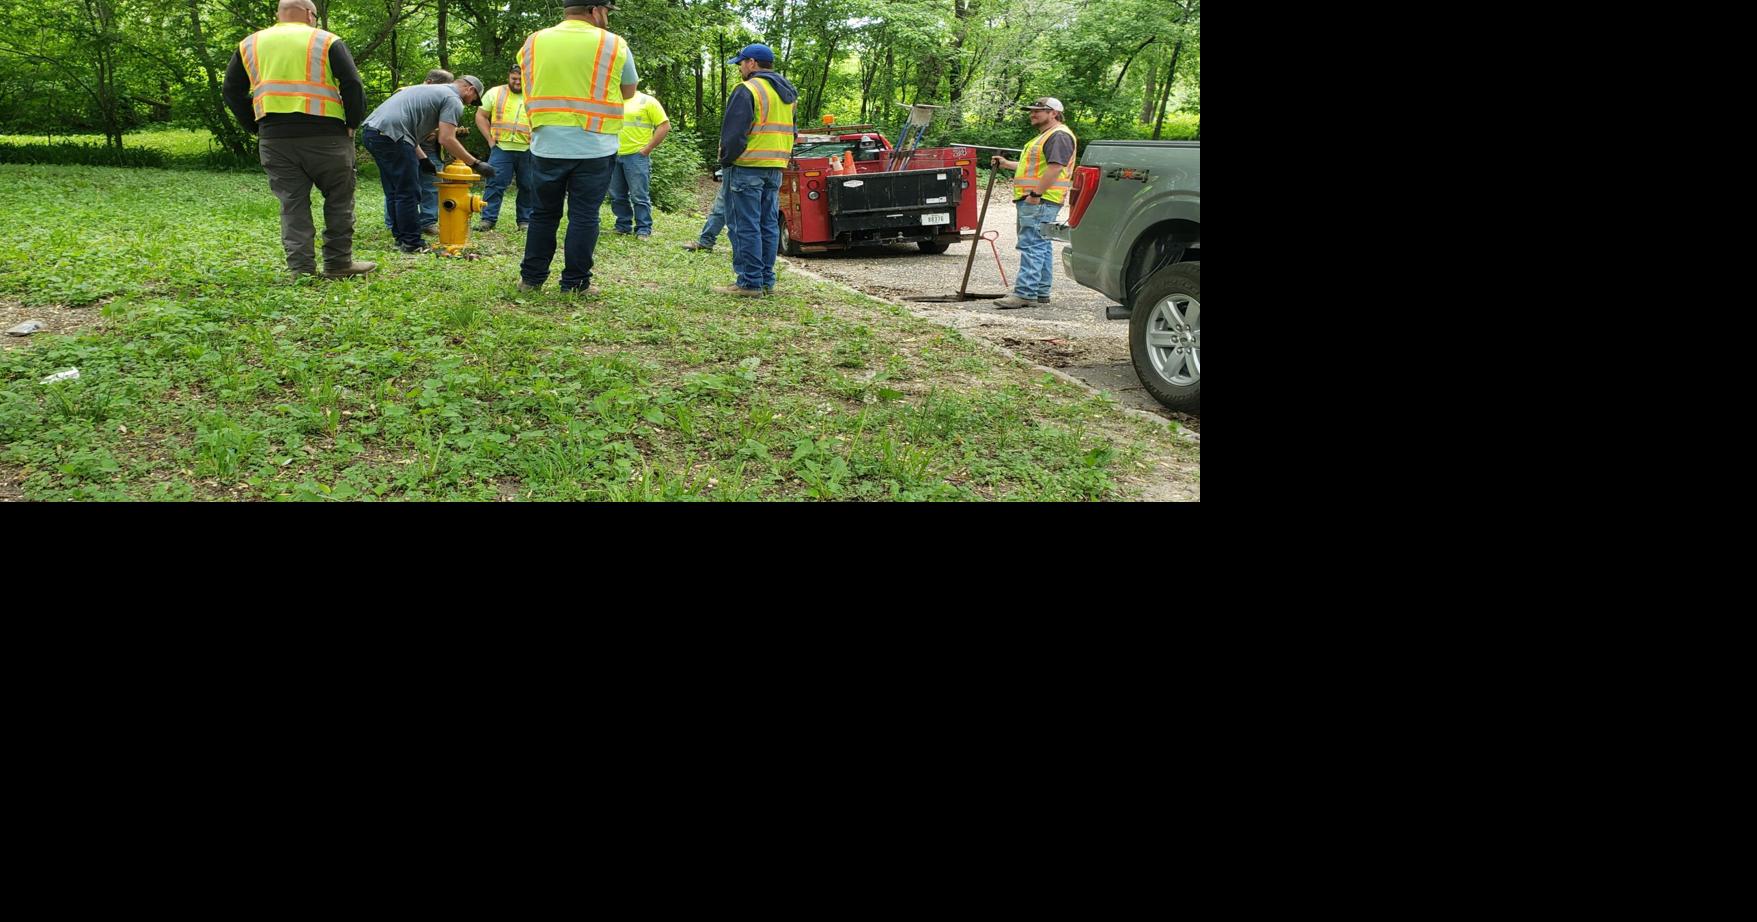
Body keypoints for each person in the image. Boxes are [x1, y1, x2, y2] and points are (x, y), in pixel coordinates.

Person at [222, 0, 374, 279]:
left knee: (292, 204)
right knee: (339, 200)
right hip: (327, 136)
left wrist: (256, 126)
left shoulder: (250, 44)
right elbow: (352, 83)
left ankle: (301, 270)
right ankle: (339, 264)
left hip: (275, 139)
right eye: (314, 15)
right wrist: (352, 122)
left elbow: (231, 91)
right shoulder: (326, 40)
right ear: (308, 13)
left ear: (280, 13)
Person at [516, 0, 636, 294]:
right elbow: (629, 91)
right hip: (594, 145)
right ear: (595, 10)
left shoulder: (534, 41)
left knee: (543, 214)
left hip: (546, 144)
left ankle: (531, 280)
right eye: (606, 11)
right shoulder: (613, 44)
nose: (606, 17)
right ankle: (575, 284)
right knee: (584, 216)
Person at [360, 75, 494, 254]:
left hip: (373, 132)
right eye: (474, 99)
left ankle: (402, 239)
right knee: (408, 191)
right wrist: (475, 163)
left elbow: (408, 128)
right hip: (393, 136)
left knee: (394, 190)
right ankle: (412, 243)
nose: (470, 103)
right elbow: (446, 138)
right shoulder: (453, 99)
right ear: (470, 89)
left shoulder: (428, 90)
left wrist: (423, 159)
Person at [714, 43, 796, 297]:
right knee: (767, 225)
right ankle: (765, 280)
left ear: (752, 63)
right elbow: (791, 130)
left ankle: (749, 283)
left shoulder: (748, 89)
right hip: (775, 167)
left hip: (747, 166)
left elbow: (734, 135)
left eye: (741, 62)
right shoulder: (787, 93)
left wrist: (726, 161)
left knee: (744, 225)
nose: (739, 67)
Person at [988, 98, 1077, 309]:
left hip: (1040, 199)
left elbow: (1055, 168)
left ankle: (1025, 293)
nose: (1032, 114)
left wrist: (1036, 193)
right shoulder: (1046, 137)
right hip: (1041, 198)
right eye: (1032, 110)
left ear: (1053, 113)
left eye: (1038, 111)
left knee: (1032, 244)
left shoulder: (1059, 136)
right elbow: (1037, 166)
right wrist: (1007, 164)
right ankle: (1040, 292)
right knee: (1041, 244)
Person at [382, 69, 453, 237]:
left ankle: (428, 221)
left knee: (431, 186)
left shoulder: (446, 98)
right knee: (399, 186)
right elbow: (403, 125)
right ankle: (394, 222)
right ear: (428, 82)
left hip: (432, 149)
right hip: (403, 144)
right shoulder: (404, 92)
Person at [473, 65, 534, 232]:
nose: (517, 82)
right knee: (494, 183)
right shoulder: (495, 92)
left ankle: (525, 221)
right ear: (509, 77)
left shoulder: (535, 95)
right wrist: (490, 141)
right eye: (514, 78)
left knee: (528, 185)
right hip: (501, 147)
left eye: (520, 79)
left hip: (528, 149)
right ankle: (488, 220)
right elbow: (480, 116)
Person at [608, 86, 669, 239]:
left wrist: (648, 149)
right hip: (613, 154)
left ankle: (643, 229)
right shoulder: (612, 100)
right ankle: (623, 226)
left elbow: (664, 125)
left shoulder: (647, 101)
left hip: (636, 156)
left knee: (639, 195)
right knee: (617, 195)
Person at [680, 178, 726, 252]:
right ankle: (706, 242)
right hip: (733, 172)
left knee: (722, 207)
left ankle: (706, 242)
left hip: (742, 173)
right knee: (720, 208)